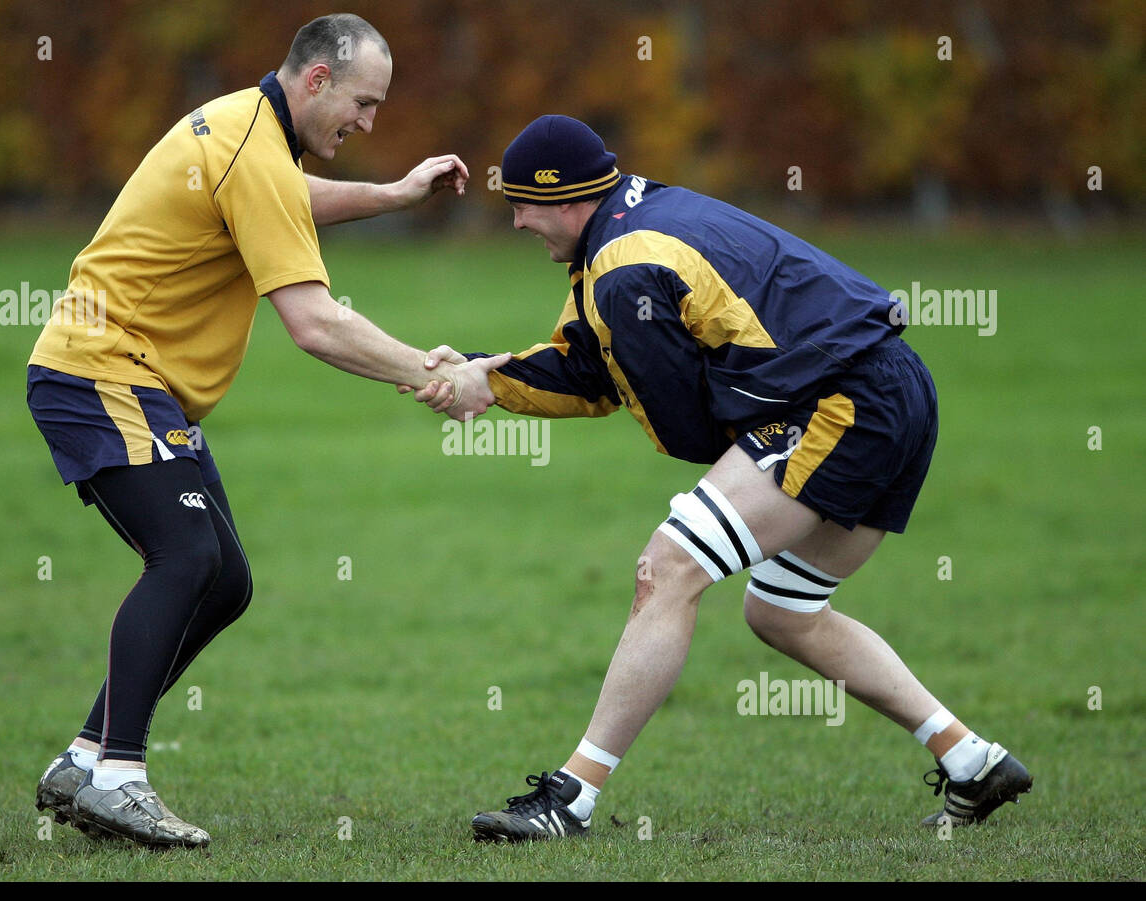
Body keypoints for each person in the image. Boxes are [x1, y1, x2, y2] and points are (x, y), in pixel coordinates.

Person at [409, 115, 1032, 841]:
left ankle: (569, 798)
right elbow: (592, 366)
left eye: (522, 203)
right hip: (891, 386)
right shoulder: (629, 223)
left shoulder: (622, 265)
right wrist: (491, 377)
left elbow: (678, 426)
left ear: (568, 197)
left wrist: (495, 381)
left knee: (667, 569)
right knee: (784, 611)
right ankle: (973, 759)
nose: (515, 221)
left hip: (842, 401)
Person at [28, 13, 507, 848]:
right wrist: (434, 374)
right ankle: (119, 775)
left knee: (226, 581)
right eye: (363, 102)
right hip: (100, 370)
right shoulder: (254, 149)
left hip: (138, 382)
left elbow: (291, 196)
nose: (368, 123)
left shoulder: (250, 134)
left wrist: (392, 194)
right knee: (188, 556)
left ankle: (85, 758)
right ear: (316, 80)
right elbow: (317, 325)